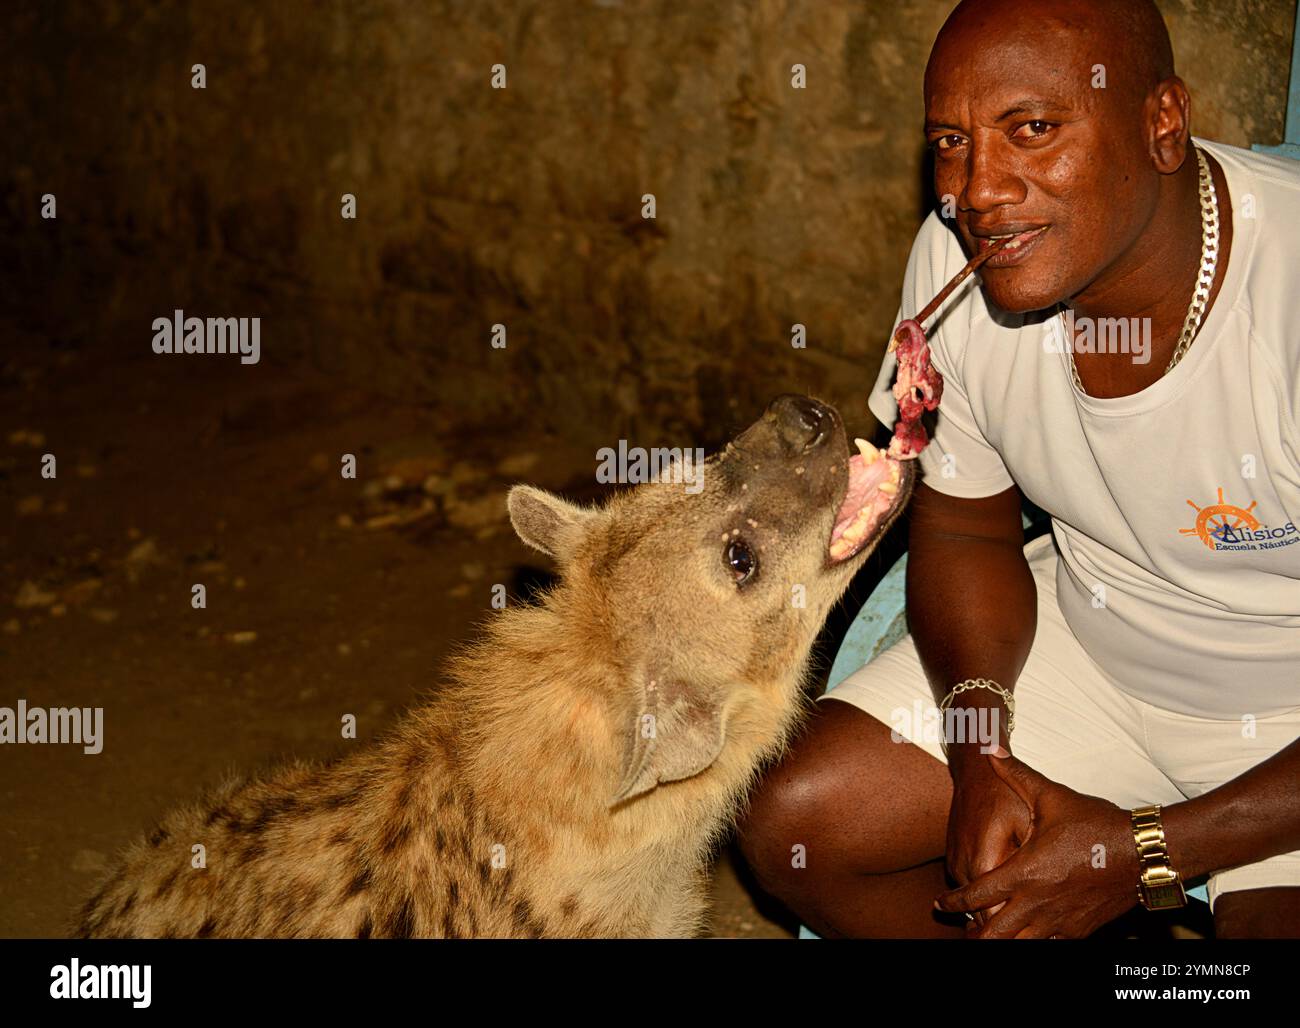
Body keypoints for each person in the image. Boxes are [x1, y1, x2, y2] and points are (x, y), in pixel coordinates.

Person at [737, 0, 1300, 939]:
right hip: (1090, 651)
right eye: (950, 143)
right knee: (797, 818)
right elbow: (965, 525)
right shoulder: (961, 260)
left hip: (1284, 726)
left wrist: (1144, 852)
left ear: (1163, 124)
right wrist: (979, 749)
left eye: (1033, 129)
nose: (979, 190)